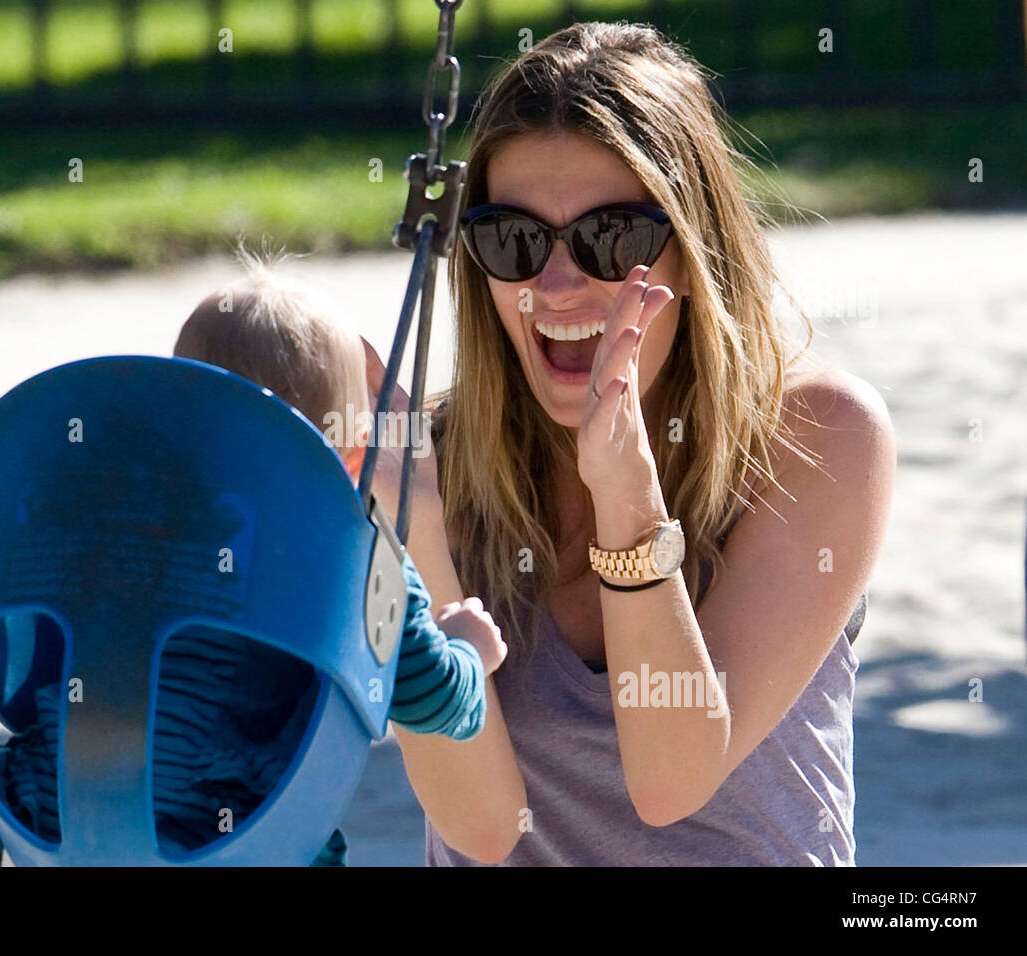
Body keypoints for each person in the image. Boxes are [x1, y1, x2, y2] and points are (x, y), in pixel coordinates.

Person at [362, 21, 895, 866]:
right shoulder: (429, 465)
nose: (558, 283)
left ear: (697, 251)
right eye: (515, 240)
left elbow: (672, 778)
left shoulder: (820, 440)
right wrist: (419, 531)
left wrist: (628, 500)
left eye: (613, 237)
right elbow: (484, 829)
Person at [0, 244, 507, 867]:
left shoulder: (106, 517)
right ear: (358, 454)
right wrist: (470, 652)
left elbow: (12, 640)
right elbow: (429, 699)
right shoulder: (358, 553)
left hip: (46, 811)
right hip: (226, 835)